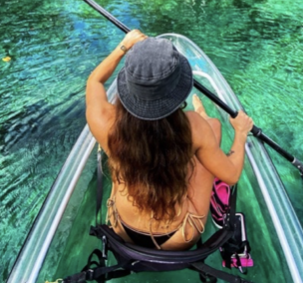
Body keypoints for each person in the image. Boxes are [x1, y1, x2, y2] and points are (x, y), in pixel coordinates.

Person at [84, 31, 253, 251]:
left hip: (121, 229)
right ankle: (207, 132)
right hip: (178, 237)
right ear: (177, 91)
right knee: (213, 127)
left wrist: (123, 46)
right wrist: (240, 134)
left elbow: (94, 81)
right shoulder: (193, 126)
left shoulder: (104, 120)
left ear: (129, 86)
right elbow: (231, 175)